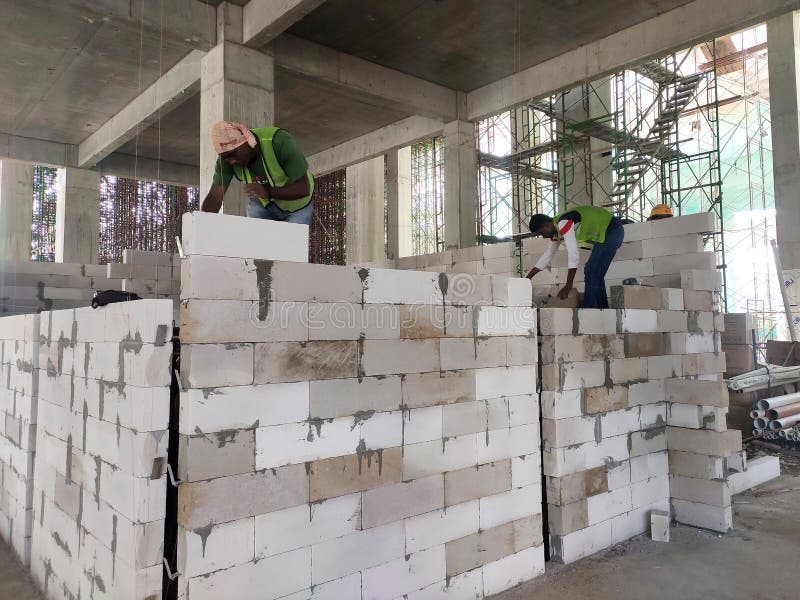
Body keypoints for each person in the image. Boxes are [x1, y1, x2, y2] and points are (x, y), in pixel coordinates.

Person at [201, 120, 314, 224]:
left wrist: (267, 192)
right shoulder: (226, 160)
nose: (231, 161)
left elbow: (303, 188)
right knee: (257, 243)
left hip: (297, 206)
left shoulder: (279, 141)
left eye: (233, 154)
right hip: (265, 204)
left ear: (245, 142)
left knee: (292, 245)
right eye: (224, 157)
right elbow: (215, 196)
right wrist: (202, 225)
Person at [526, 205, 625, 309]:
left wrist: (569, 284)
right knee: (596, 274)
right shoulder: (556, 233)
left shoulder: (563, 223)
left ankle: (587, 310)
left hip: (612, 230)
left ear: (546, 225)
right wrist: (527, 278)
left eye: (542, 233)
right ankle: (603, 310)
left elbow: (573, 254)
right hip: (606, 235)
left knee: (590, 270)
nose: (544, 237)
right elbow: (546, 257)